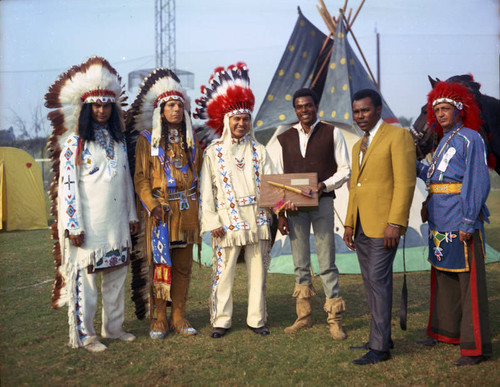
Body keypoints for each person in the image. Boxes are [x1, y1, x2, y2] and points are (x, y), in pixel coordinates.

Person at [45, 56, 139, 352]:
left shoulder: (119, 141)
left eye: (107, 105)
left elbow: (125, 182)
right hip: (89, 225)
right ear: (87, 108)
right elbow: (68, 187)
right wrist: (73, 225)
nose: (101, 110)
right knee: (87, 282)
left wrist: (132, 215)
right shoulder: (75, 143)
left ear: (113, 108)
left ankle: (113, 327)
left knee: (116, 275)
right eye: (96, 105)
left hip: (116, 222)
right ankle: (85, 334)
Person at [416, 80, 491, 366]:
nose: (441, 114)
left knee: (468, 281)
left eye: (446, 108)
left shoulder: (471, 138)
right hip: (439, 218)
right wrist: (415, 165)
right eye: (438, 110)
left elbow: (476, 181)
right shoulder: (444, 140)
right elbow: (436, 178)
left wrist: (469, 220)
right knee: (443, 275)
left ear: (460, 110)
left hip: (460, 217)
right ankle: (444, 332)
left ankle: (474, 347)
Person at [196, 63, 273, 338]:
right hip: (226, 221)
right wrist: (213, 220)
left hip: (257, 218)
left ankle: (256, 319)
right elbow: (206, 192)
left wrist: (278, 208)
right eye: (236, 119)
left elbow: (272, 185)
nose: (241, 123)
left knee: (258, 272)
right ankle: (221, 320)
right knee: (224, 272)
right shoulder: (213, 152)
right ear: (226, 121)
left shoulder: (260, 151)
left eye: (245, 119)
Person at [343, 88, 416, 365]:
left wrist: (395, 222)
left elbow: (405, 183)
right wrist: (349, 223)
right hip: (361, 226)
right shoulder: (357, 145)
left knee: (379, 282)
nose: (360, 115)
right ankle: (380, 337)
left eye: (365, 110)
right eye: (356, 111)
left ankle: (380, 348)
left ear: (378, 110)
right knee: (371, 283)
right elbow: (355, 187)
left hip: (385, 226)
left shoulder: (398, 136)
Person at [131, 69, 202, 339]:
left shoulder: (191, 142)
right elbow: (141, 178)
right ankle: (159, 317)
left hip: (187, 211)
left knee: (183, 266)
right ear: (161, 110)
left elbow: (199, 173)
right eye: (171, 105)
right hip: (161, 212)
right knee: (162, 264)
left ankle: (179, 316)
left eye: (180, 105)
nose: (176, 109)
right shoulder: (148, 140)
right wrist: (151, 204)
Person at [275, 88, 351, 340]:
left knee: (327, 260)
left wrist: (323, 185)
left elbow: (345, 170)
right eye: (299, 107)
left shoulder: (332, 132)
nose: (304, 110)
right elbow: (276, 180)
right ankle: (304, 316)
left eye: (308, 105)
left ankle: (334, 317)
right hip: (294, 208)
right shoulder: (284, 138)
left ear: (315, 106)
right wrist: (280, 214)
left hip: (323, 203)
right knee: (300, 262)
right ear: (294, 110)